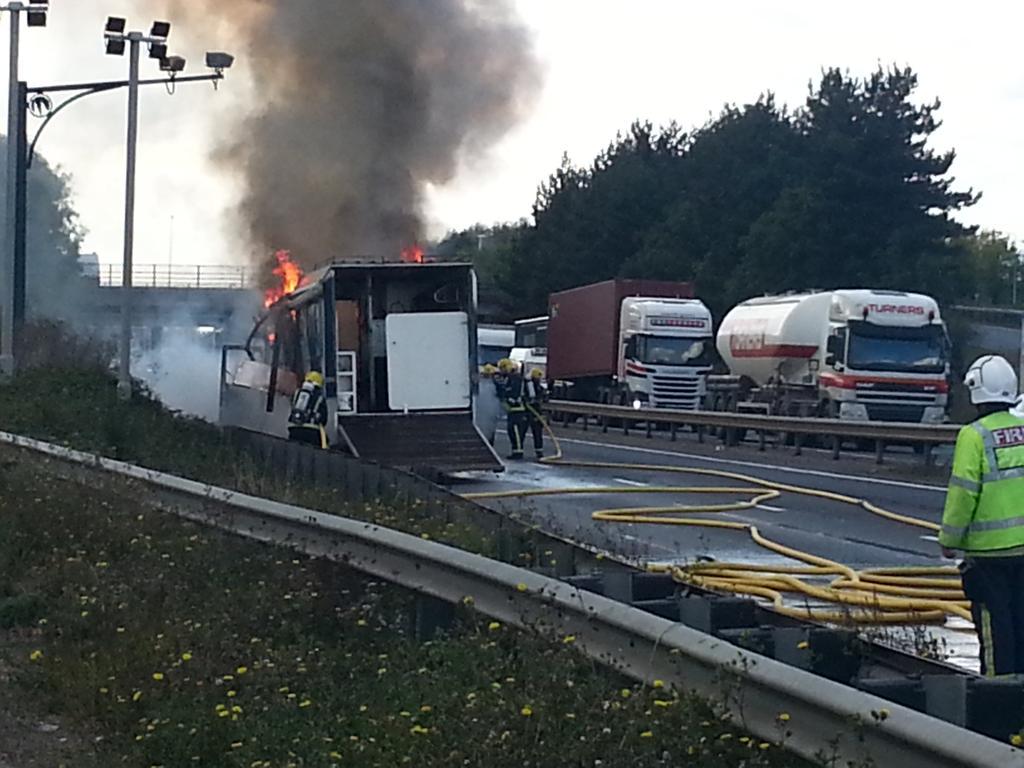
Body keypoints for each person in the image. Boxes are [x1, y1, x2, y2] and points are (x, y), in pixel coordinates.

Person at [940, 354, 1024, 676]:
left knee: (996, 636)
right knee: (1020, 630)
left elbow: (963, 494)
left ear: (976, 390)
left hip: (988, 557)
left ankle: (996, 708)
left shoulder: (973, 436)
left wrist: (949, 539)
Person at [288, 370, 329, 449]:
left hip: (294, 429)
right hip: (312, 431)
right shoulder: (320, 397)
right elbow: (324, 419)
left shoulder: (297, 393)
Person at [495, 358, 527, 459]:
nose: (500, 371)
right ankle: (516, 451)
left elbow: (513, 392)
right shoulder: (510, 377)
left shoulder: (515, 378)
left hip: (517, 409)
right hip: (512, 409)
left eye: (501, 368)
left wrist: (507, 397)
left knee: (515, 431)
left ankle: (518, 452)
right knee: (512, 430)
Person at [475, 363, 502, 446]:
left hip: (487, 412)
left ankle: (488, 443)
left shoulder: (485, 384)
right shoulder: (490, 384)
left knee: (489, 428)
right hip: (485, 411)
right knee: (488, 428)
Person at [524, 367, 548, 459]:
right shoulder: (530, 385)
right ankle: (538, 452)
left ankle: (539, 451)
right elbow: (531, 399)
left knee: (537, 433)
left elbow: (541, 398)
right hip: (530, 412)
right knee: (536, 433)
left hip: (534, 413)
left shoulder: (536, 386)